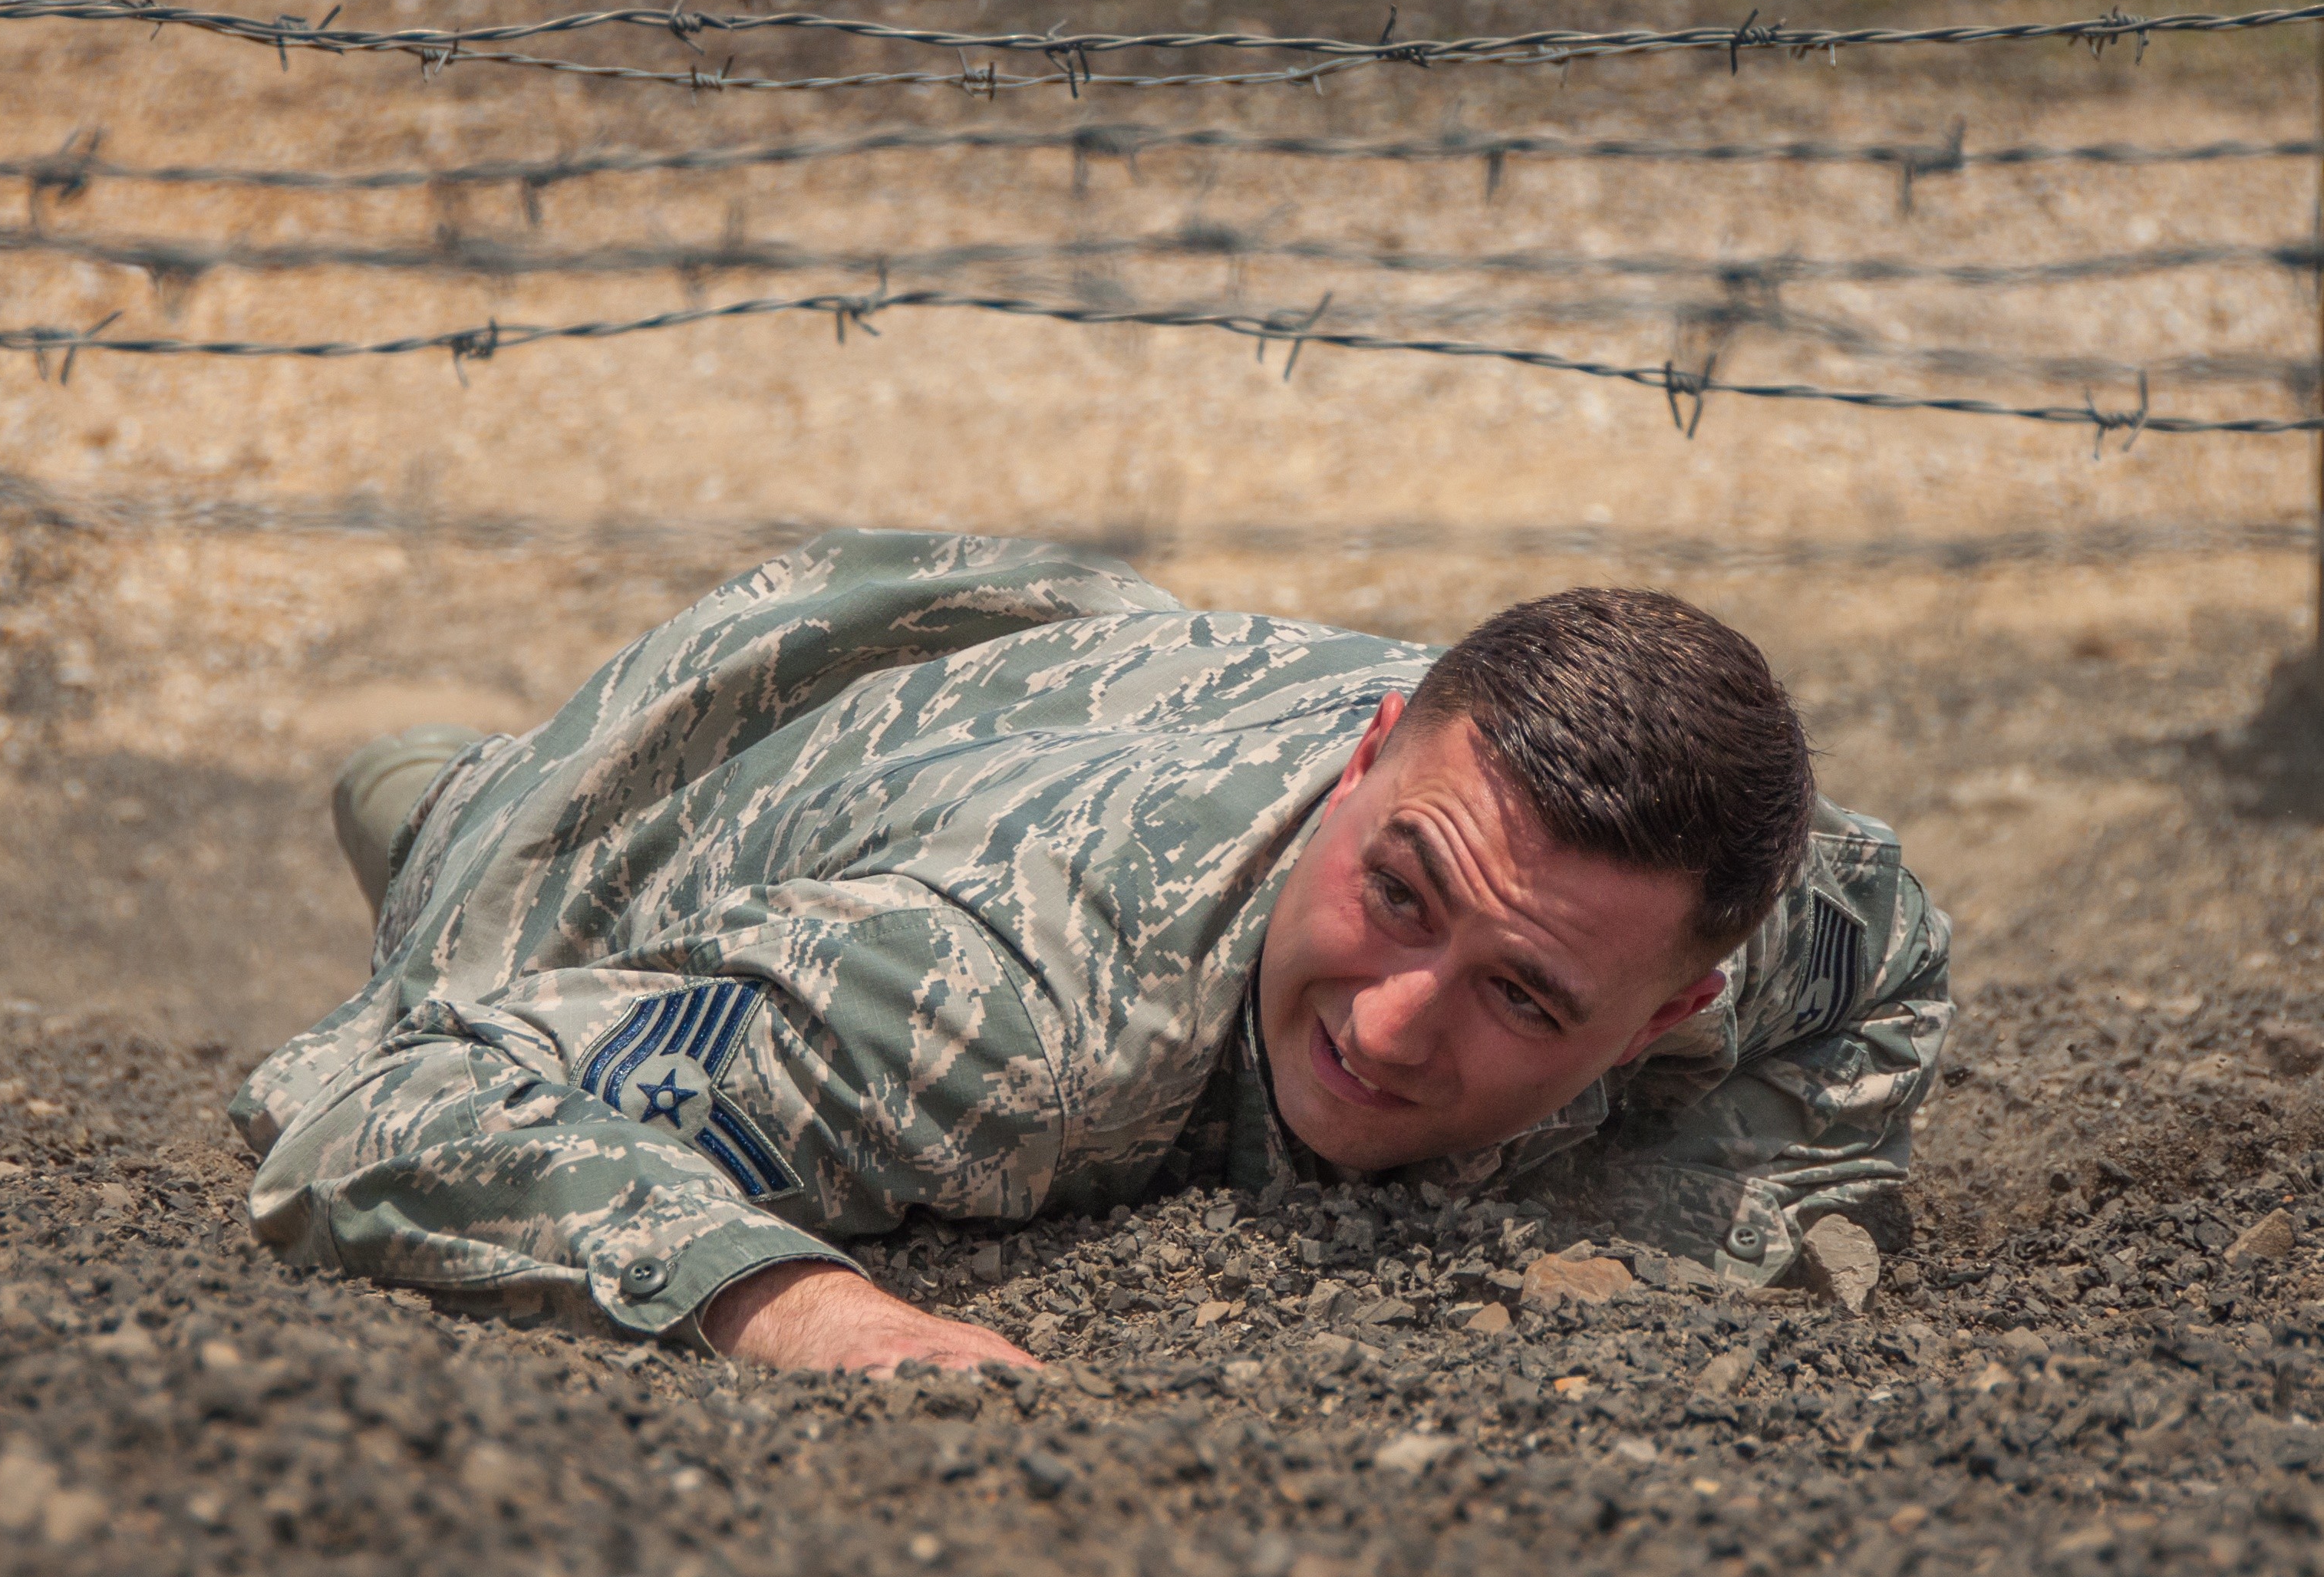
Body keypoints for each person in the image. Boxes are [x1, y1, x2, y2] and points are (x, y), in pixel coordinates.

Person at [230, 531, 1950, 1375]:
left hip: (1087, 691)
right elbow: (396, 1105)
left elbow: (1896, 960)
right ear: (1367, 761)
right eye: (1400, 894)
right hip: (727, 731)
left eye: (1522, 997)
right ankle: (436, 790)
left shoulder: (1770, 911)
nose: (1389, 1027)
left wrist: (1649, 1235)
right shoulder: (1002, 1018)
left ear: (1669, 1008)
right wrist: (808, 1311)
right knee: (459, 839)